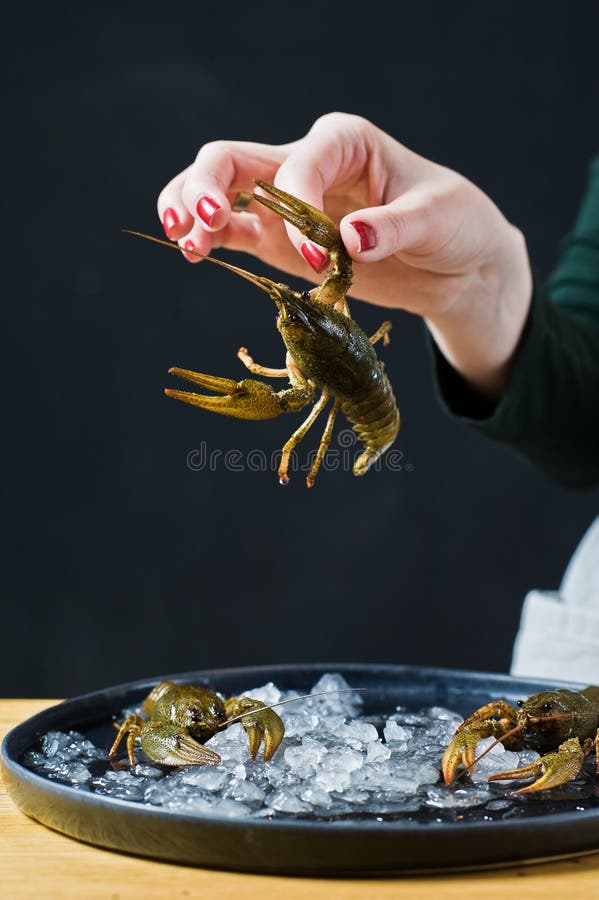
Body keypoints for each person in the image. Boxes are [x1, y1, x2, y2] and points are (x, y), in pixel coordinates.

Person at [157, 112, 599, 681]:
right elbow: (582, 426)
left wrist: (259, 386)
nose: (292, 304)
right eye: (294, 309)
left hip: (373, 407)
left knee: (297, 405)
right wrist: (476, 289)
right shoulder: (330, 302)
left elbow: (294, 398)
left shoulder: (315, 341)